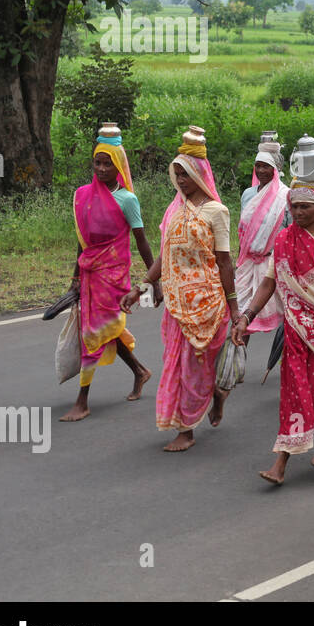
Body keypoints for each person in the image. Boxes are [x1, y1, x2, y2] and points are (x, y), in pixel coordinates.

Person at [122, 126, 236, 452]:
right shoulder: (175, 210)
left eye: (186, 175)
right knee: (180, 363)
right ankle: (189, 423)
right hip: (176, 301)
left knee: (198, 363)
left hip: (208, 300)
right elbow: (165, 255)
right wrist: (141, 287)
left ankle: (193, 420)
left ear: (199, 175)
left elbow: (225, 262)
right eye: (177, 174)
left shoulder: (217, 212)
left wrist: (235, 306)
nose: (181, 181)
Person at [232, 183, 314, 485]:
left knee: (312, 390)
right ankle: (309, 453)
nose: (298, 212)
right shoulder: (283, 240)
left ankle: (294, 457)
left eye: (305, 207)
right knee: (300, 391)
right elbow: (268, 284)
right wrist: (247, 317)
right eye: (293, 207)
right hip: (294, 331)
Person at [61, 123, 154, 422]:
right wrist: (75, 276)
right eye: (97, 162)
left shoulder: (128, 200)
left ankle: (82, 400)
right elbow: (82, 242)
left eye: (108, 163)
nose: (101, 168)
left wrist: (154, 281)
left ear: (119, 166)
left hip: (114, 276)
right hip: (89, 274)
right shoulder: (83, 195)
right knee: (103, 330)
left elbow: (141, 242)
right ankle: (140, 371)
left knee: (95, 331)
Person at [235, 136, 289, 338]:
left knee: (286, 316)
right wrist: (240, 261)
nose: (261, 171)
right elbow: (243, 233)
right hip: (248, 263)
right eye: (257, 166)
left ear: (275, 170)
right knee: (241, 314)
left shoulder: (285, 196)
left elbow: (288, 231)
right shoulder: (248, 194)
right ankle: (236, 363)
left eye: (266, 166)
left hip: (273, 264)